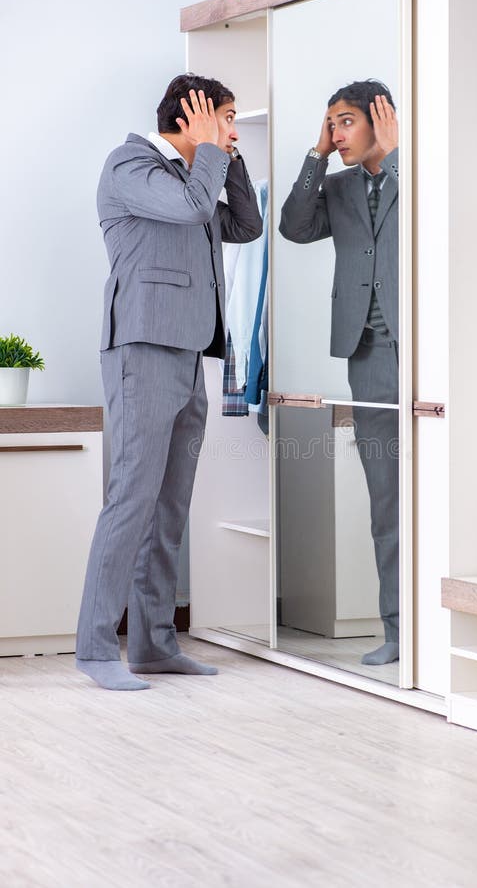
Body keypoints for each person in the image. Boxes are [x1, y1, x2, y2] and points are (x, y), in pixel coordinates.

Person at [76, 74, 263, 690]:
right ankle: (97, 648)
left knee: (170, 504)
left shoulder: (200, 175)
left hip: (189, 355)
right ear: (193, 114)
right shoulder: (129, 165)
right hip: (141, 349)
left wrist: (224, 155)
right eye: (226, 117)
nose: (233, 130)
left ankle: (154, 645)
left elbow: (246, 226)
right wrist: (212, 150)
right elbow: (189, 210)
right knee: (132, 496)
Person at [279, 80, 400, 666]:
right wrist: (315, 155)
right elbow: (294, 226)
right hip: (369, 354)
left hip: (430, 350)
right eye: (330, 123)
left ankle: (438, 627)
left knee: (440, 491)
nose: (336, 133)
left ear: (381, 118)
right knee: (386, 498)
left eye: (345, 121)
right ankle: (399, 630)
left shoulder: (421, 173)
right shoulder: (339, 185)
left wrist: (399, 156)